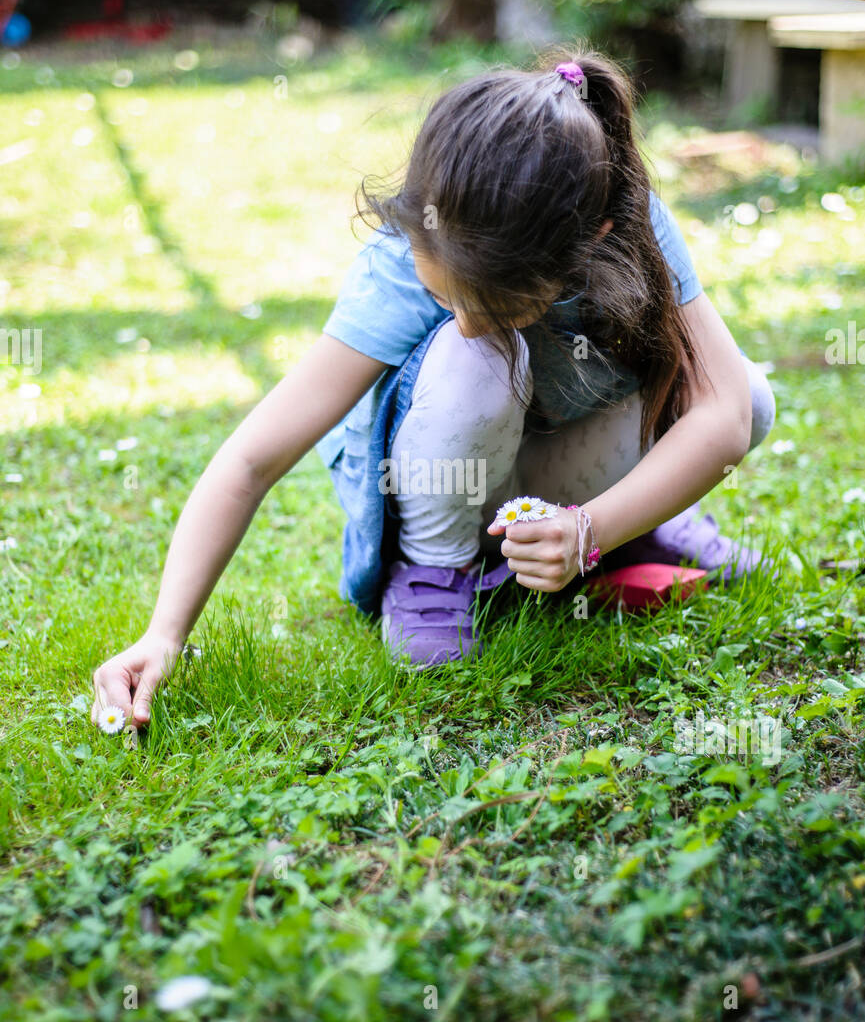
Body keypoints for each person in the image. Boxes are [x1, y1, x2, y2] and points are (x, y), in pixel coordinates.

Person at [91, 48, 775, 724]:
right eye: (441, 295)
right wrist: (163, 633)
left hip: (552, 473)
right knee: (474, 362)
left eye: (498, 305)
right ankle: (434, 575)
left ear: (590, 239)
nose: (469, 323)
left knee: (746, 392)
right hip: (451, 480)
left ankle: (629, 531)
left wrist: (590, 528)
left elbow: (725, 414)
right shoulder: (398, 262)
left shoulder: (632, 223)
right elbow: (249, 460)